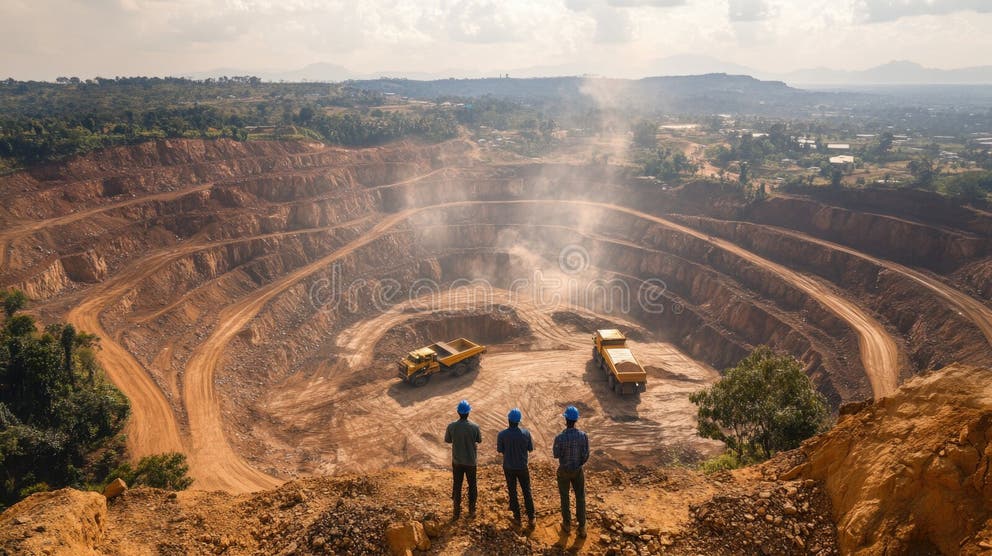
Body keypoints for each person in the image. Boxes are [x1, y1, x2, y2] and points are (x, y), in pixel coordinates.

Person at [553, 405, 589, 538]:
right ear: (576, 420)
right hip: (577, 471)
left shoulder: (560, 438)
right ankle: (582, 527)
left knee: (565, 497)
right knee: (580, 498)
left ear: (566, 420)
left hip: (564, 471)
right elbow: (586, 455)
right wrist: (579, 464)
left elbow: (556, 455)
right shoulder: (583, 436)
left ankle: (567, 525)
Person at [496, 407, 535, 529]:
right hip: (522, 467)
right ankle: (531, 517)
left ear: (509, 420)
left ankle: (517, 517)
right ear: (519, 421)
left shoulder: (502, 435)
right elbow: (530, 449)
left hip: (508, 467)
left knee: (512, 492)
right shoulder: (526, 433)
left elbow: (500, 450)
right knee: (526, 491)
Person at [444, 399, 481, 520]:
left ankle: (456, 511)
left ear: (458, 412)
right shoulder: (475, 427)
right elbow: (479, 440)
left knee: (457, 485)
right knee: (472, 485)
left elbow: (448, 440)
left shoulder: (451, 426)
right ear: (468, 412)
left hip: (457, 461)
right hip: (470, 462)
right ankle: (471, 510)